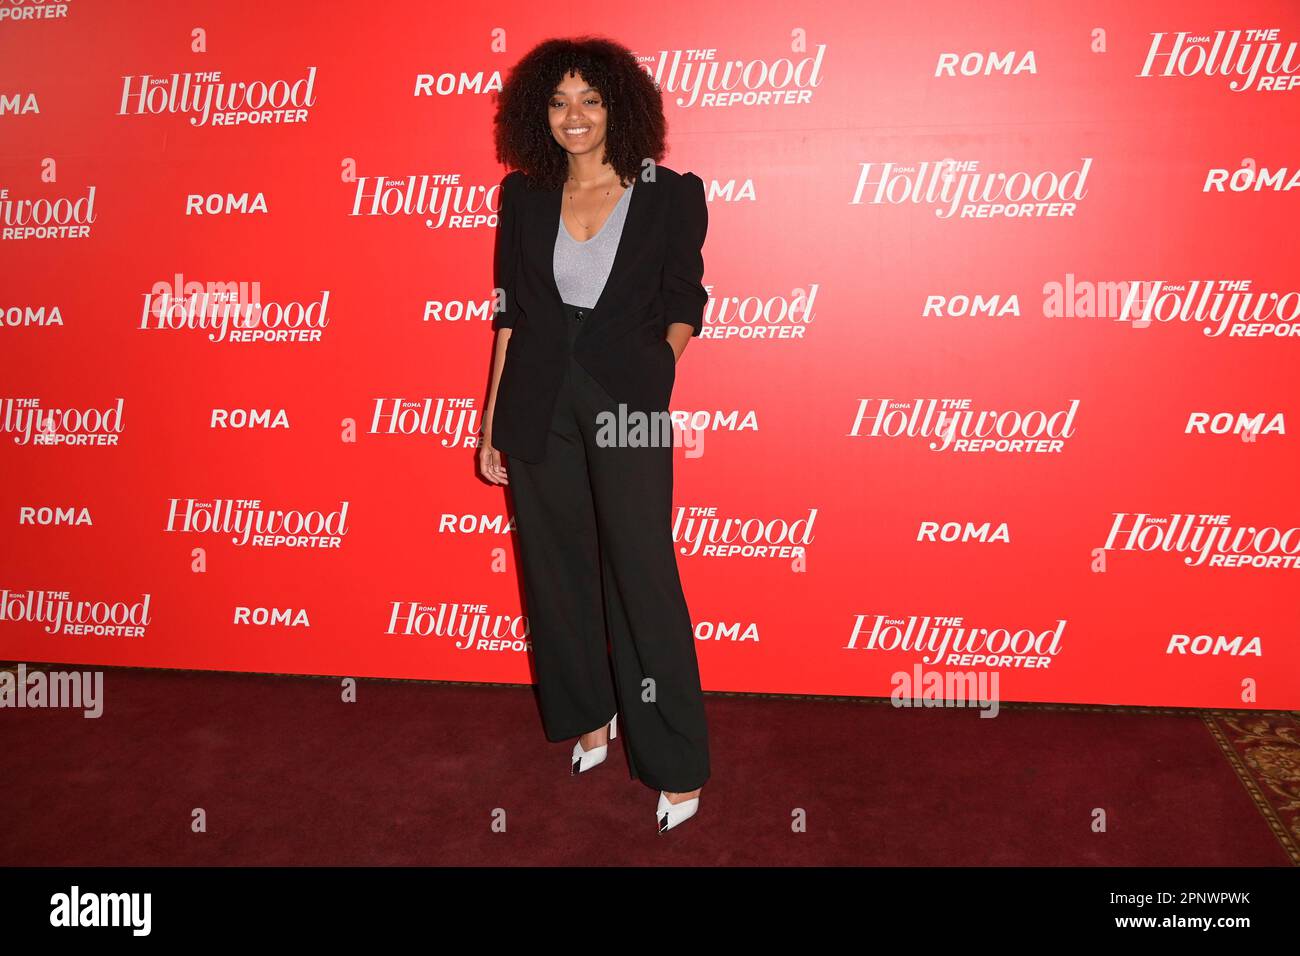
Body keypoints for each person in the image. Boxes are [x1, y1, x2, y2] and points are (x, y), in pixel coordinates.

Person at [478, 36, 711, 833]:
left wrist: (657, 368)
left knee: (641, 572)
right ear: (537, 114)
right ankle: (590, 717)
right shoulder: (525, 196)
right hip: (539, 400)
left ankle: (677, 760)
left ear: (619, 108)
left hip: (626, 398)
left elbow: (686, 299)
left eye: (591, 99)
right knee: (555, 568)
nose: (574, 116)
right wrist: (491, 421)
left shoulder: (668, 194)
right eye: (558, 101)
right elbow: (510, 312)